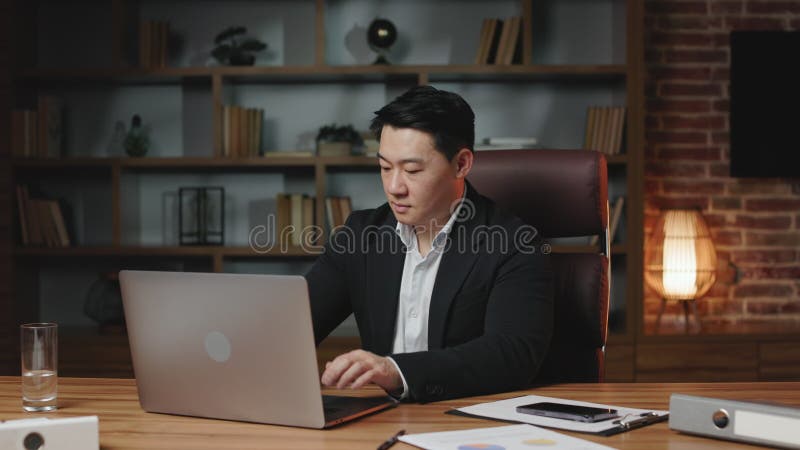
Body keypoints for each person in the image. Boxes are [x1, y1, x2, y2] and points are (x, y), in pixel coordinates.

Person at [305, 85, 553, 403]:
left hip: (465, 417)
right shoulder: (360, 235)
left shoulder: (515, 243)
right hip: (381, 419)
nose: (394, 187)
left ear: (461, 164)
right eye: (384, 167)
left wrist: (397, 371)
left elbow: (512, 353)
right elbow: (297, 324)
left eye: (412, 170)